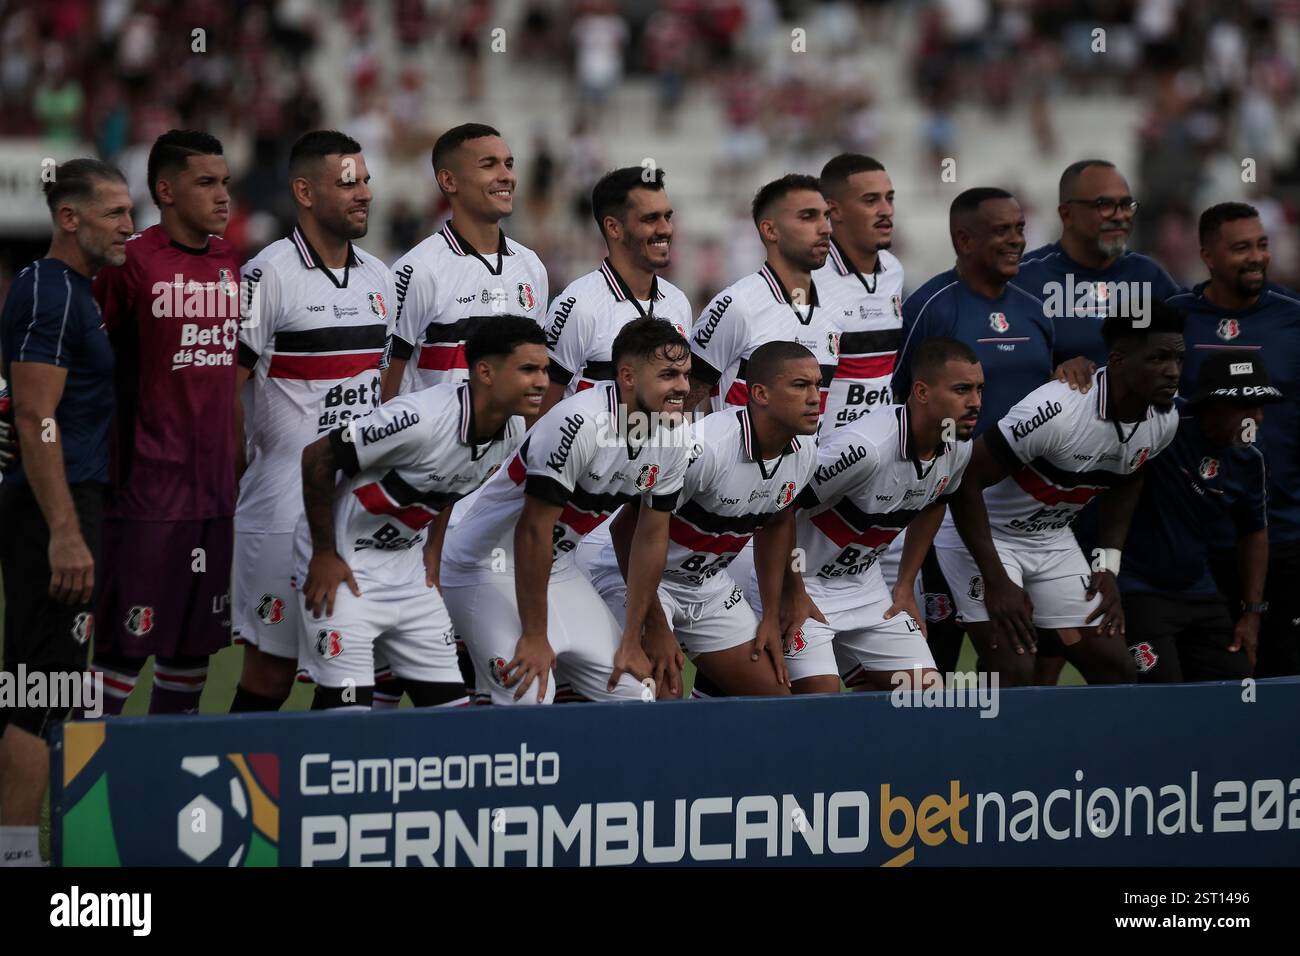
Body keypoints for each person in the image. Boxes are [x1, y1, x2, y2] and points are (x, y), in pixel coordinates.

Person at [295, 317, 547, 709]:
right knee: (346, 712)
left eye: (545, 370)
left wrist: (433, 549)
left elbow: (451, 480)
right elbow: (317, 458)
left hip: (407, 570)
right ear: (485, 372)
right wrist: (324, 553)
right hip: (343, 564)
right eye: (528, 369)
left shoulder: (512, 430)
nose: (543, 382)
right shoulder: (418, 419)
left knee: (449, 714)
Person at [440, 318, 693, 705]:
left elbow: (651, 537)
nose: (683, 387)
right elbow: (533, 533)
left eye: (686, 375)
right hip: (483, 566)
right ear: (627, 375)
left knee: (638, 693)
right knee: (531, 694)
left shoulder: (676, 433)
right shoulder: (577, 422)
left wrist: (635, 636)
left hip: (556, 568)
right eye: (669, 375)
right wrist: (536, 636)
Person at [228, 130, 395, 712]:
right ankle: (237, 800)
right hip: (280, 509)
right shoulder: (265, 274)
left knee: (352, 668)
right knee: (269, 674)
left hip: (356, 510)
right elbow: (229, 389)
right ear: (303, 190)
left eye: (367, 180)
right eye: (349, 182)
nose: (365, 194)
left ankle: (325, 802)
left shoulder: (379, 278)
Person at [80, 130, 241, 716]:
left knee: (191, 661)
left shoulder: (229, 260)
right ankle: (87, 801)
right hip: (144, 494)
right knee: (121, 656)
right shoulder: (130, 264)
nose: (223, 195)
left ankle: (165, 799)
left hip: (214, 497)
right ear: (166, 191)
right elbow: (84, 366)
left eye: (224, 182)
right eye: (206, 182)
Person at [939, 303, 1185, 686]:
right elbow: (965, 479)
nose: (1172, 371)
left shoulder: (1165, 419)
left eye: (1177, 358)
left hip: (1052, 540)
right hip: (985, 535)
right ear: (1118, 361)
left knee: (1116, 666)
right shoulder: (1058, 409)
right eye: (1158, 358)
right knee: (1016, 671)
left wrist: (1106, 564)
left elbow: (1128, 475)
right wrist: (997, 578)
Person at [0, 159, 130, 866]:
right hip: (53, 503)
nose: (129, 225)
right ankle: (18, 855)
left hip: (62, 499)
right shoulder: (50, 291)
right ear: (70, 218)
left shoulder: (73, 290)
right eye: (114, 212)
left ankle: (20, 847)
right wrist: (64, 531)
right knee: (38, 682)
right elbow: (34, 415)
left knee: (45, 678)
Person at [1016, 159, 1181, 686]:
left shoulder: (1151, 278)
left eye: (1125, 204)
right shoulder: (1030, 278)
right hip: (1040, 488)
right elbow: (1002, 372)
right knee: (1037, 651)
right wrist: (1051, 372)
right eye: (1103, 204)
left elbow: (1179, 364)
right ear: (1066, 212)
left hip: (1122, 482)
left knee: (1107, 638)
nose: (1118, 215)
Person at [583, 341, 821, 698]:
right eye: (801, 386)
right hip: (638, 576)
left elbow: (776, 522)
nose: (816, 397)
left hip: (706, 584)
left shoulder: (806, 451)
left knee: (775, 701)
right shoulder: (704, 449)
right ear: (760, 393)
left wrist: (771, 614)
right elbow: (625, 530)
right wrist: (657, 625)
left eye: (817, 384)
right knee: (661, 695)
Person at [891, 187, 1052, 673]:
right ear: (964, 239)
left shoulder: (1034, 310)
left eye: (1020, 228)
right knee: (934, 653)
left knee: (1020, 659)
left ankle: (993, 747)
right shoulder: (933, 305)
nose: (1016, 240)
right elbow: (899, 401)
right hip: (947, 505)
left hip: (1024, 514)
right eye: (1001, 230)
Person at [779, 337, 979, 693]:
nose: (975, 402)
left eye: (979, 389)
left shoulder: (958, 446)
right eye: (962, 390)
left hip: (866, 587)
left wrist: (903, 586)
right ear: (921, 391)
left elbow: (936, 502)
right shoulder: (866, 449)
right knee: (818, 700)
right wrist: (792, 591)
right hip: (802, 583)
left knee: (926, 694)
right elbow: (782, 506)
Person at [1170, 202, 1300, 676]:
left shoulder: (1293, 319)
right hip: (1197, 540)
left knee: (1283, 678)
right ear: (1206, 254)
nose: (1256, 257)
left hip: (1283, 534)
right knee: (1206, 683)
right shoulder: (1176, 319)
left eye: (1262, 245)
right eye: (1241, 247)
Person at [1118, 352, 1276, 682]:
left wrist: (1252, 613)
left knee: (1240, 686)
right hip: (1139, 590)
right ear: (1210, 405)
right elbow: (1122, 387)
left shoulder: (1251, 461)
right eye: (1244, 407)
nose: (1257, 418)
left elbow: (1255, 533)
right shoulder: (1164, 426)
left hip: (1200, 591)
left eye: (1260, 407)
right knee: (1162, 690)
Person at [384, 123, 548, 398]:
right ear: (449, 181)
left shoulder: (531, 266)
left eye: (509, 164)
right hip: (436, 441)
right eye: (489, 165)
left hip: (510, 442)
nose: (506, 176)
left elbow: (535, 378)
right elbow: (386, 393)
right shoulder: (417, 270)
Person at [539, 165, 692, 412]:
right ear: (613, 227)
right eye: (651, 218)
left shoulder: (678, 302)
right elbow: (538, 416)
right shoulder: (578, 306)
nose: (665, 228)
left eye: (667, 216)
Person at [685, 174, 841, 415]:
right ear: (770, 230)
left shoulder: (835, 310)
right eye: (808, 216)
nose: (825, 228)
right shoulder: (738, 305)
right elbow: (683, 399)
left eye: (826, 216)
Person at [815, 153, 905, 429]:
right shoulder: (809, 277)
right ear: (834, 211)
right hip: (821, 457)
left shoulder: (893, 269)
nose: (886, 210)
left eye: (889, 198)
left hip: (880, 450)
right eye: (871, 200)